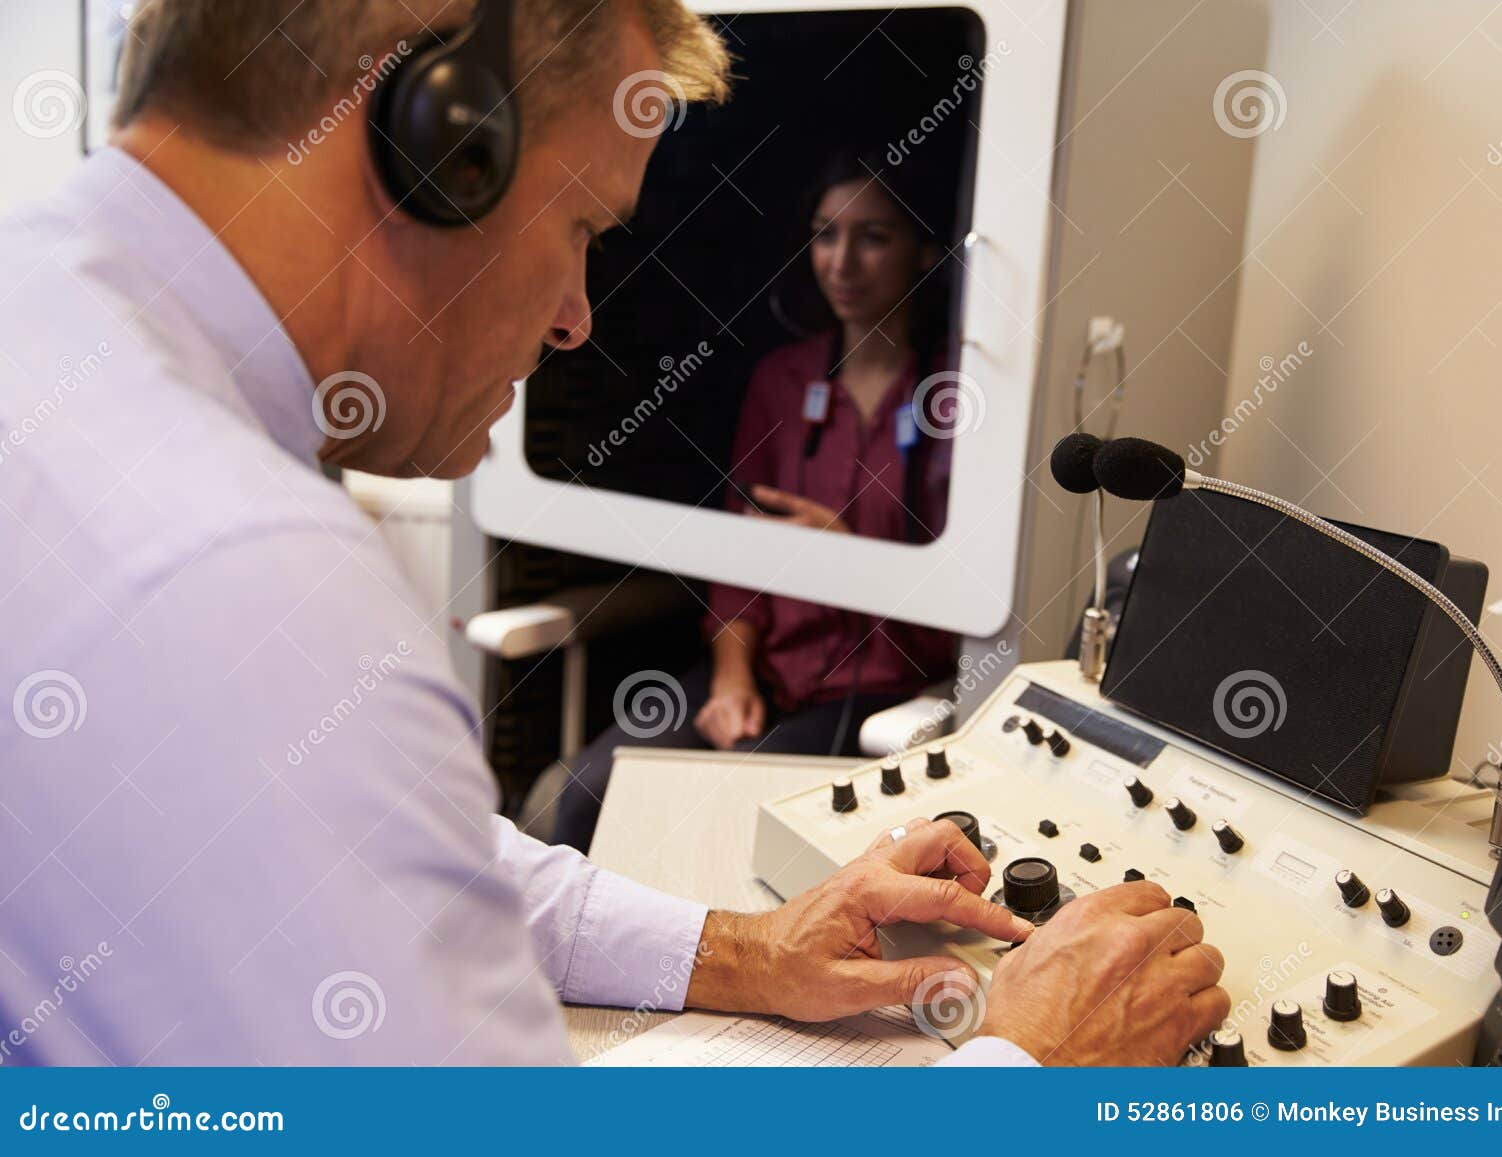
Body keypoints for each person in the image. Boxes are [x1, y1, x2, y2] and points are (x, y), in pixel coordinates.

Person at [0, 0, 1228, 1066]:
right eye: (584, 226)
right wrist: (1026, 1058)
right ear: (438, 141)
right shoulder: (241, 571)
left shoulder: (55, 343)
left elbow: (389, 856)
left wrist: (748, 947)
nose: (579, 320)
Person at [553, 153, 960, 851]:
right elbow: (739, 561)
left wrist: (848, 554)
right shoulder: (783, 378)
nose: (842, 262)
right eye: (826, 234)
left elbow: (959, 606)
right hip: (765, 667)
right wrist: (732, 679)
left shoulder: (954, 396)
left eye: (873, 237)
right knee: (592, 789)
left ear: (923, 250)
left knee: (723, 811)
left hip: (876, 691)